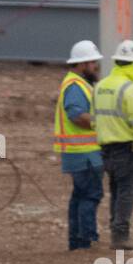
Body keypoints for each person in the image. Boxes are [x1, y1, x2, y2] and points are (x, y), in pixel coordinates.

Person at [94, 40, 133, 249]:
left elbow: (95, 120)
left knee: (116, 190)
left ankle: (116, 233)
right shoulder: (130, 90)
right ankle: (120, 236)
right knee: (128, 191)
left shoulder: (101, 86)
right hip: (126, 150)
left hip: (105, 150)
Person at [54, 40, 104, 251]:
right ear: (82, 64)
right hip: (84, 153)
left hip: (79, 152)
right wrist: (102, 122)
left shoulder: (78, 83)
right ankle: (86, 240)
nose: (96, 67)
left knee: (79, 196)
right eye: (93, 62)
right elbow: (76, 115)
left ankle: (76, 241)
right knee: (90, 195)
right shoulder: (75, 86)